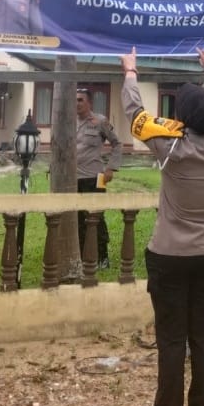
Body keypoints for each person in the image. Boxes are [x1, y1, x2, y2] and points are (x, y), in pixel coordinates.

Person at [119, 46, 204, 406]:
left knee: (171, 345)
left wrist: (131, 72)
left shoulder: (169, 144)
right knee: (203, 343)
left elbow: (135, 115)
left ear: (183, 118)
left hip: (169, 257)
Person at [75, 88, 123, 271]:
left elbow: (117, 144)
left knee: (96, 217)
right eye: (75, 100)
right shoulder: (68, 121)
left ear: (89, 103)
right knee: (78, 220)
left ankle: (102, 257)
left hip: (96, 177)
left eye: (80, 100)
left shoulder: (100, 122)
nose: (77, 103)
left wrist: (111, 167)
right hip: (74, 179)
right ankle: (81, 256)